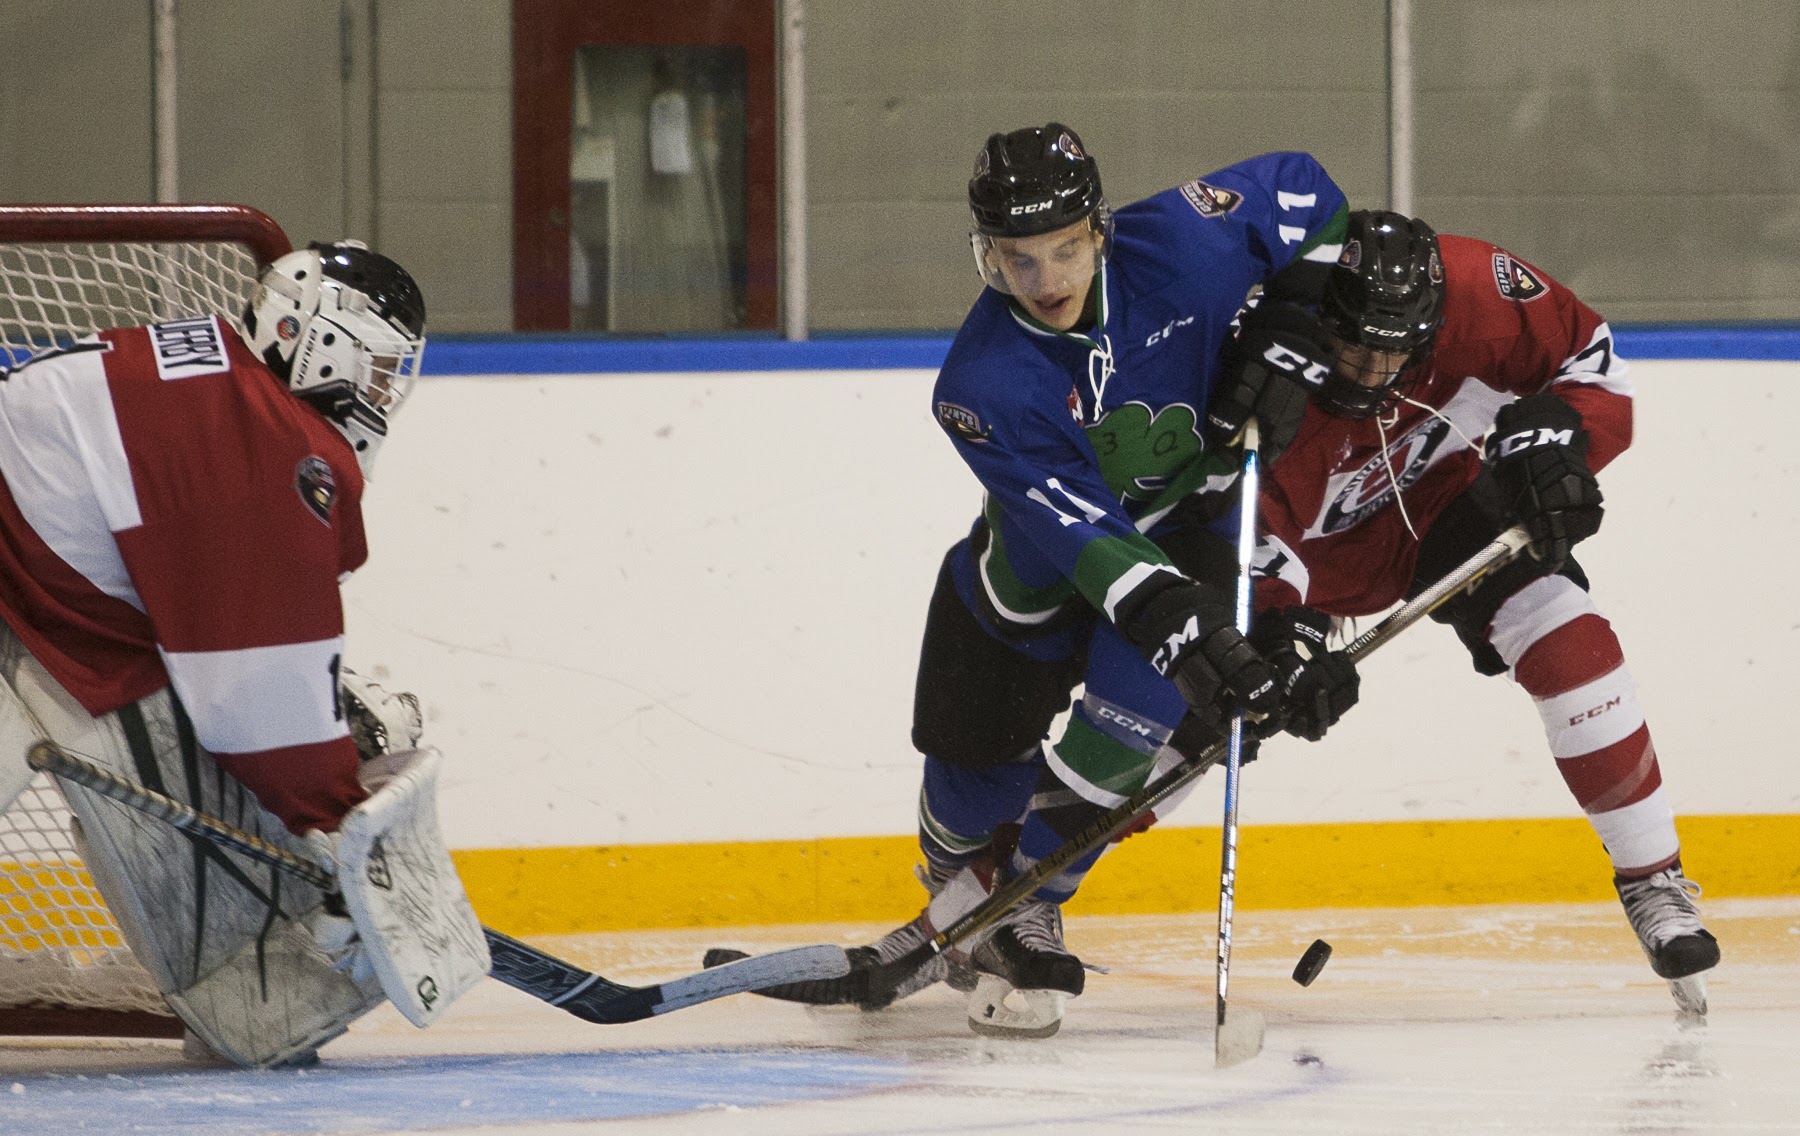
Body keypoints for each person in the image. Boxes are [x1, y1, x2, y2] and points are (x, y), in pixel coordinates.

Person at [745, 125, 1365, 1037]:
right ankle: (958, 891)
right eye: (1018, 259)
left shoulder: (1187, 246)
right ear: (986, 254)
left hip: (1187, 528)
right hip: (1031, 576)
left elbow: (1311, 191)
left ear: (1101, 229)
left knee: (1130, 719)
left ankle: (1030, 902)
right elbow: (1085, 536)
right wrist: (1171, 615)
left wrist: (1296, 320)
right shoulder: (982, 381)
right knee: (964, 793)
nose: (1047, 281)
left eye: (1066, 249)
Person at [0, 241, 488, 1066]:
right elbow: (255, 697)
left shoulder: (224, 384)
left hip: (28, 596)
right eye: (376, 371)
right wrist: (331, 819)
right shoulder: (266, 447)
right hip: (27, 603)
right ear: (321, 338)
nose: (380, 398)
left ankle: (245, 987)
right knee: (225, 774)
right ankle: (253, 992)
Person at [1247, 209, 1720, 1013]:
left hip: (1442, 507)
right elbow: (1231, 523)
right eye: (1352, 345)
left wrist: (1558, 436)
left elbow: (1593, 366)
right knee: (1199, 712)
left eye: (1395, 350)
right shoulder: (1263, 360)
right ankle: (1018, 898)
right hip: (1298, 557)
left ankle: (1654, 881)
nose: (1370, 370)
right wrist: (1269, 625)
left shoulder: (1480, 292)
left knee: (1566, 637)